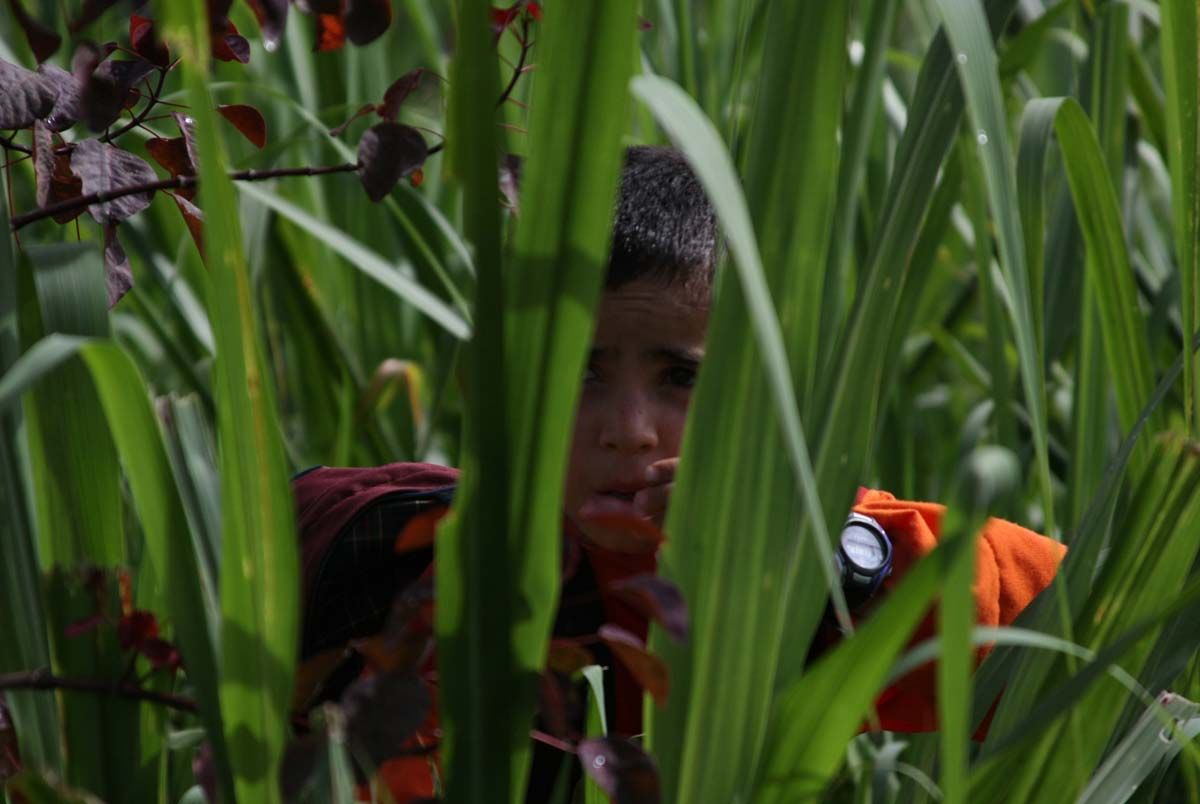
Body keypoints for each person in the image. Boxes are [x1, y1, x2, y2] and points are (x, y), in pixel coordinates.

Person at [290, 146, 1066, 801]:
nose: (630, 433)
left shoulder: (794, 555)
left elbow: (1075, 624)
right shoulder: (399, 556)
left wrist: (812, 560)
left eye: (681, 380)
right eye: (578, 373)